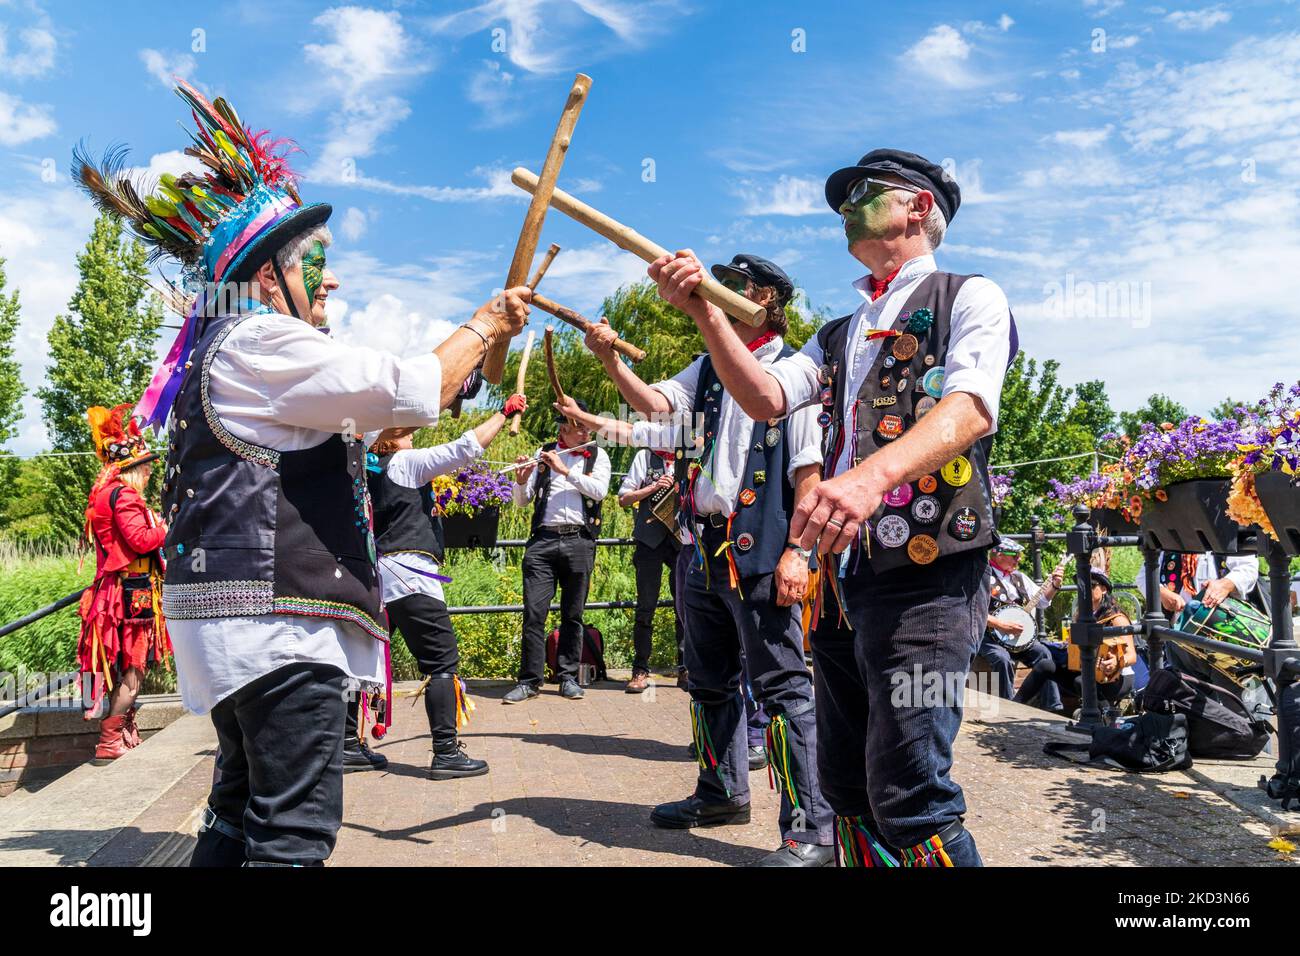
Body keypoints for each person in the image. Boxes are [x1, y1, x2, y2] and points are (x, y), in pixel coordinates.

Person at [74, 80, 530, 866]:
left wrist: (474, 375)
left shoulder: (231, 353)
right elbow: (407, 388)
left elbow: (387, 420)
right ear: (261, 278)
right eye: (313, 264)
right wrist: (487, 321)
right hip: (276, 625)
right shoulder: (261, 342)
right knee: (292, 834)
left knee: (236, 811)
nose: (331, 281)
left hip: (239, 625)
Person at [648, 149, 1017, 867]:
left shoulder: (970, 297)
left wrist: (863, 481)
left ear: (917, 207)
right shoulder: (839, 332)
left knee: (911, 790)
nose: (844, 207)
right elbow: (762, 395)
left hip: (932, 573)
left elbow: (969, 410)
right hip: (844, 586)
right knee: (846, 783)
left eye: (862, 195)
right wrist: (703, 313)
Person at [573, 251, 834, 867]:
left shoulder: (794, 371)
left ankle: (810, 828)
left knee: (783, 687)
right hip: (704, 547)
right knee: (709, 681)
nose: (719, 295)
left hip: (763, 551)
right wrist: (610, 360)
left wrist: (800, 552)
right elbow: (658, 411)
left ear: (765, 300)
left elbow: (809, 469)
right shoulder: (708, 367)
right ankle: (720, 793)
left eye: (734, 288)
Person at [342, 392, 527, 778]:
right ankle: (445, 752)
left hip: (375, 582)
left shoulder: (361, 473)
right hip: (412, 576)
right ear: (392, 438)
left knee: (363, 663)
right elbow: (465, 448)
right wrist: (502, 412)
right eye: (406, 432)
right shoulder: (405, 463)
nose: (412, 436)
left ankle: (347, 745)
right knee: (442, 663)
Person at [78, 404, 169, 763]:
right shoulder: (126, 496)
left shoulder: (104, 493)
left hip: (114, 590)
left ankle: (121, 731)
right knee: (134, 666)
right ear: (131, 471)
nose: (148, 475)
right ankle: (109, 740)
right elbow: (142, 541)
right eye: (145, 469)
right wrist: (163, 527)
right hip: (131, 592)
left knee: (124, 666)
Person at [505, 400, 611, 703]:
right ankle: (529, 681)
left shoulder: (598, 456)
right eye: (566, 427)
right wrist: (521, 480)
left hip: (579, 539)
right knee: (534, 613)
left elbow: (599, 491)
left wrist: (565, 471)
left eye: (576, 427)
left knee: (573, 614)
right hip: (543, 541)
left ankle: (567, 677)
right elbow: (523, 501)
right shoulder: (544, 453)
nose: (565, 433)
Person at [618, 446, 687, 693]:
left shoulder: (688, 455)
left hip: (681, 540)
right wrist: (653, 488)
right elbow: (623, 499)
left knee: (685, 606)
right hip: (648, 541)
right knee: (645, 607)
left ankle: (686, 668)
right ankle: (640, 670)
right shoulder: (644, 457)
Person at [977, 539, 1064, 711]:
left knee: (1043, 653)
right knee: (1001, 658)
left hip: (1016, 636)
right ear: (998, 554)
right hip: (988, 636)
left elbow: (1042, 601)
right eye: (1014, 555)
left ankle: (1053, 705)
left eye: (1019, 555)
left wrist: (1054, 585)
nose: (1018, 559)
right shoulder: (982, 576)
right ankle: (1008, 706)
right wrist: (1000, 624)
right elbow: (974, 611)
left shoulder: (1019, 578)